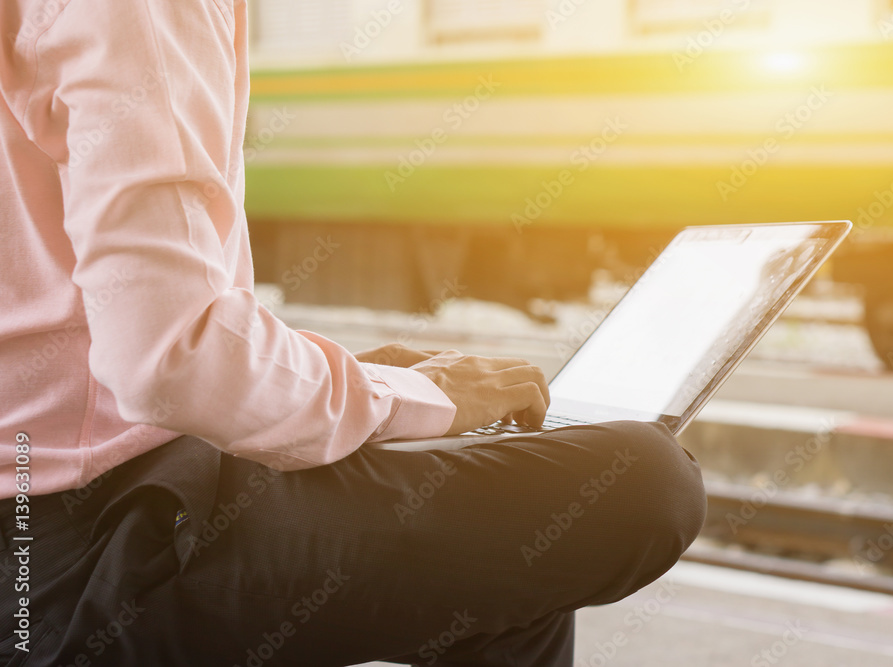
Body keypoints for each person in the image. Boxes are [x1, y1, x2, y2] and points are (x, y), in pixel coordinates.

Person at [0, 1, 707, 665]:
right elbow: (171, 359)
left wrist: (352, 377)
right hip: (84, 564)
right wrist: (417, 396)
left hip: (54, 532)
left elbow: (87, 335)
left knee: (518, 556)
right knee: (648, 481)